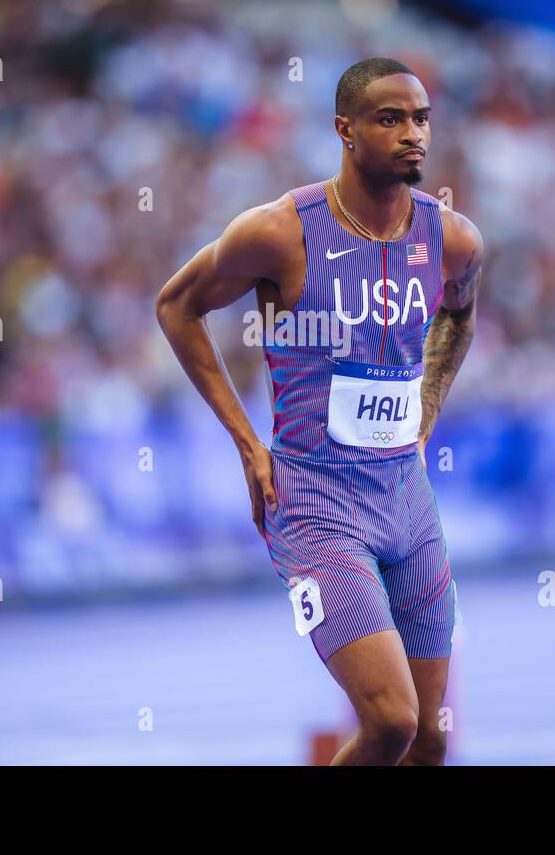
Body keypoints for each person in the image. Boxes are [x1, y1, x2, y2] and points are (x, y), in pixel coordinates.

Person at [156, 58, 483, 765]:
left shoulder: (451, 238)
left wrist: (425, 411)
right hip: (314, 504)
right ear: (345, 129)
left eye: (421, 119)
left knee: (432, 735)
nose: (411, 134)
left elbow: (459, 314)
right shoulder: (279, 232)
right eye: (389, 118)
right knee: (391, 721)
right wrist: (247, 442)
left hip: (407, 500)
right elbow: (176, 306)